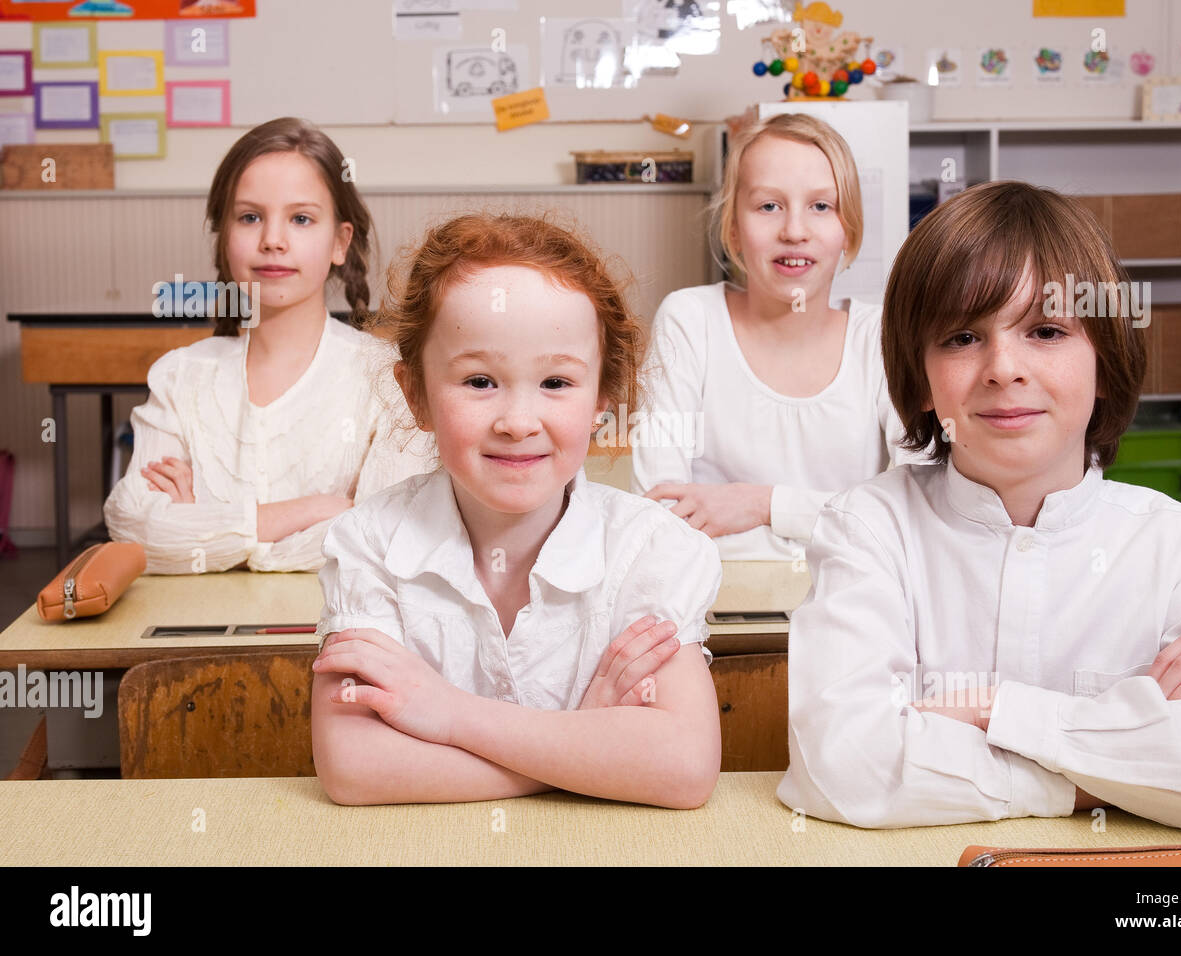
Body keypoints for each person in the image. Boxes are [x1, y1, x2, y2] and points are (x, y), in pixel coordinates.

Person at [778, 180, 1181, 839]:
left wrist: (1002, 712)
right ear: (917, 379)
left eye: (1046, 330)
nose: (1003, 368)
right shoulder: (868, 529)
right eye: (963, 337)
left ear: (1106, 362)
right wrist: (1127, 742)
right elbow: (843, 765)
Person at [311, 213, 722, 808]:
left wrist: (449, 714)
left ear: (603, 396)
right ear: (415, 393)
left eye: (556, 382)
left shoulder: (650, 550)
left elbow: (682, 768)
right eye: (480, 382)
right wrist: (586, 748)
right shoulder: (369, 545)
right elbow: (354, 768)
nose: (518, 421)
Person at [104, 117, 428, 573]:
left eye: (301, 218)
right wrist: (319, 509)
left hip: (339, 636)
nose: (273, 240)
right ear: (225, 239)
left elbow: (385, 537)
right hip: (191, 638)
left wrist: (202, 530)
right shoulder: (180, 376)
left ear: (340, 241)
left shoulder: (386, 377)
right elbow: (134, 525)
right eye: (250, 217)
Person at [631, 111, 913, 560]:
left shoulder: (883, 338)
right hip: (712, 613)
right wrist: (831, 524)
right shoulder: (689, 321)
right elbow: (660, 511)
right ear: (734, 231)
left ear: (849, 230)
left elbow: (910, 514)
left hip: (860, 615)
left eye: (821, 206)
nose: (794, 231)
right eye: (768, 206)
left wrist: (761, 505)